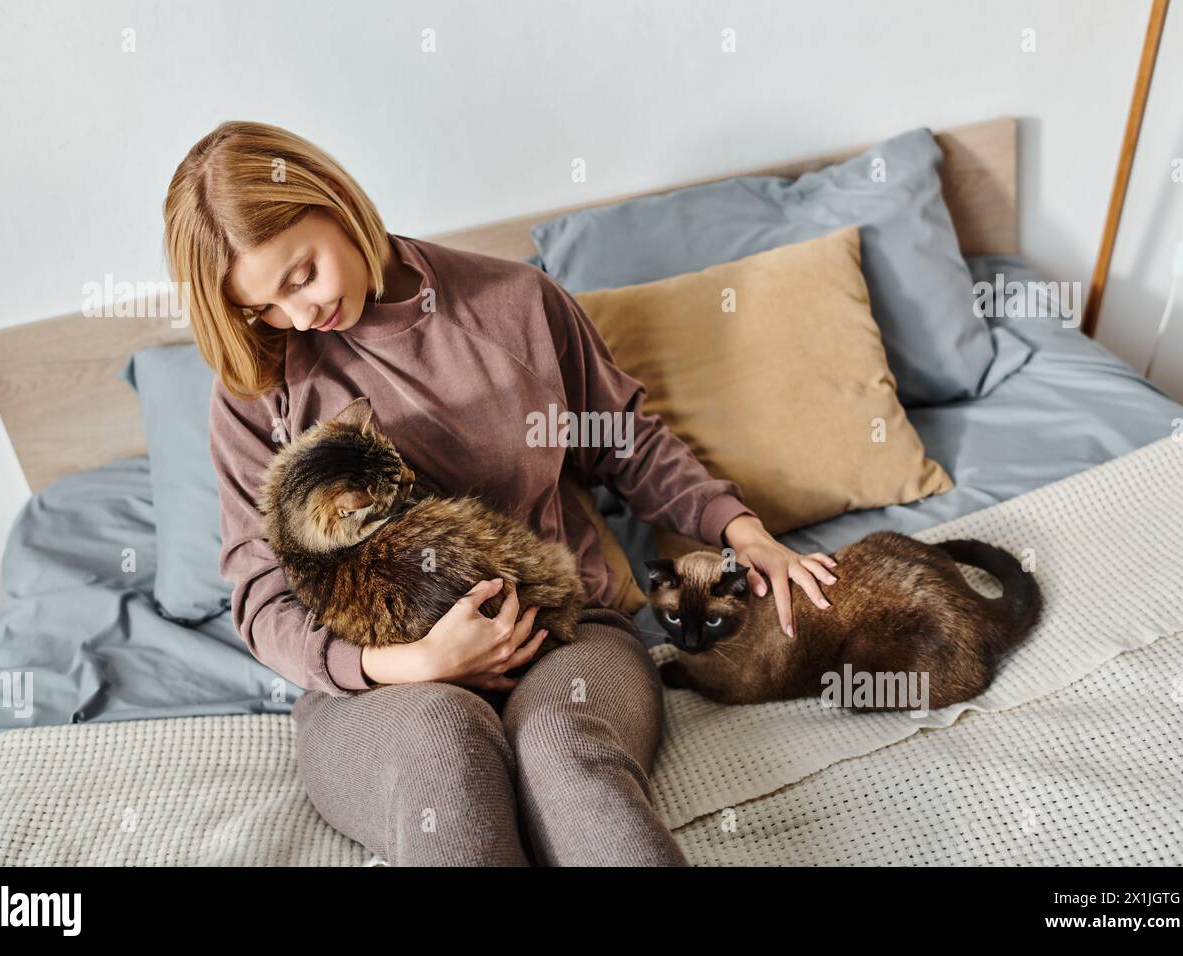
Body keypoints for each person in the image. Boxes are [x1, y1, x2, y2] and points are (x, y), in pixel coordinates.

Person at [163, 120, 837, 866]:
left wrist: (739, 530)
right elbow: (262, 598)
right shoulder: (258, 388)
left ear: (335, 200)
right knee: (446, 760)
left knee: (564, 757)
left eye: (301, 277)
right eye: (263, 308)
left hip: (565, 633)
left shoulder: (512, 303)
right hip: (378, 685)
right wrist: (404, 666)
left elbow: (626, 441)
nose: (298, 318)